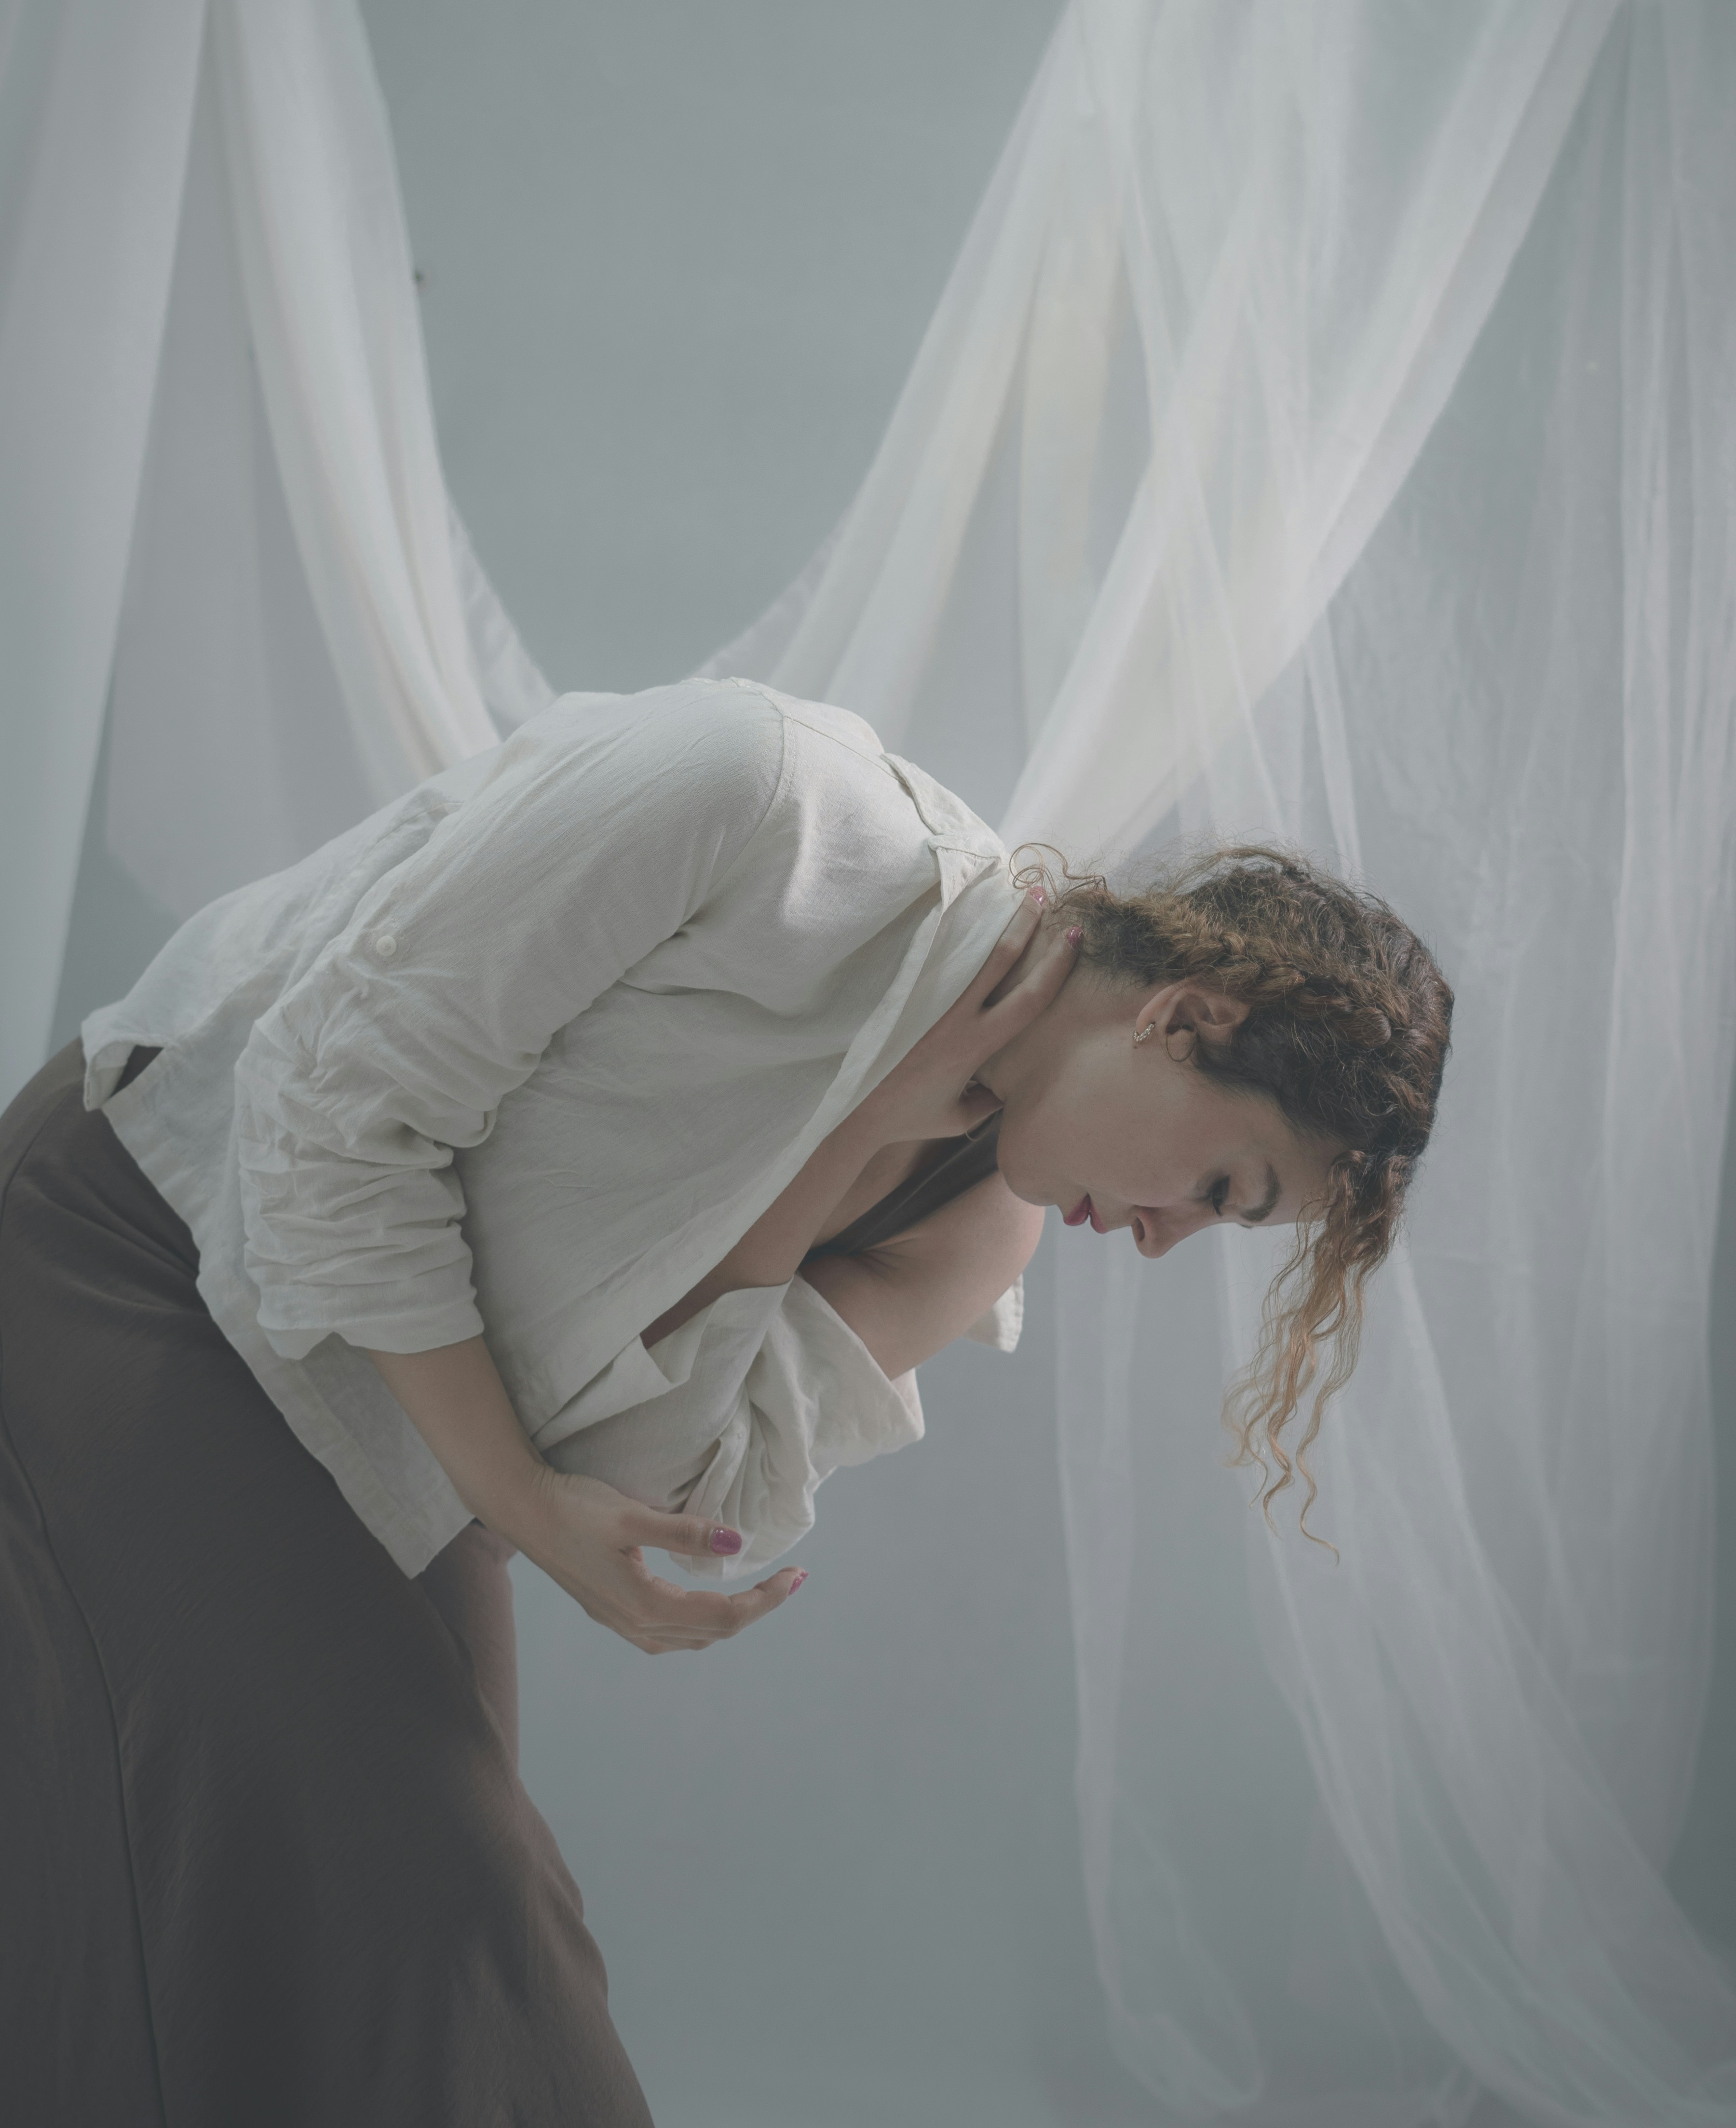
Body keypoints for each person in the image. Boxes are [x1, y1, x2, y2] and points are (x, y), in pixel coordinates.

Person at [0, 674, 1450, 2125]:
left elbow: (642, 1478)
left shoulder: (978, 1225)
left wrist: (851, 1134)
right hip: (151, 1251)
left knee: (352, 1918)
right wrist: (515, 1500)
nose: (1162, 1238)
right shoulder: (764, 801)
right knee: (448, 1905)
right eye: (1219, 1187)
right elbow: (323, 1116)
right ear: (1186, 1017)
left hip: (397, 1418)